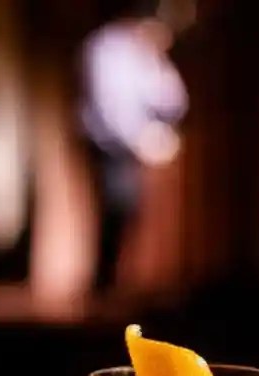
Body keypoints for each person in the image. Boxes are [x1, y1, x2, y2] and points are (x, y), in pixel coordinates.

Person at [78, 0, 188, 290]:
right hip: (108, 143)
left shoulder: (146, 53)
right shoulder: (105, 47)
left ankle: (127, 282)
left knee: (135, 212)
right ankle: (104, 284)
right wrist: (139, 139)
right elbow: (110, 107)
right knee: (118, 207)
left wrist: (159, 60)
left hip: (137, 144)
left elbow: (174, 100)